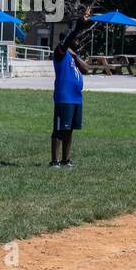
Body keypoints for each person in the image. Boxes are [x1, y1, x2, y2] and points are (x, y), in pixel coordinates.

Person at [51, 19, 89, 168]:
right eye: (74, 39)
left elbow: (86, 69)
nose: (77, 42)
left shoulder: (73, 56)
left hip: (76, 99)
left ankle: (66, 160)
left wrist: (75, 56)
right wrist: (79, 25)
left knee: (70, 130)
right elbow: (68, 41)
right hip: (64, 98)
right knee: (60, 130)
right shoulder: (59, 53)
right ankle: (54, 161)